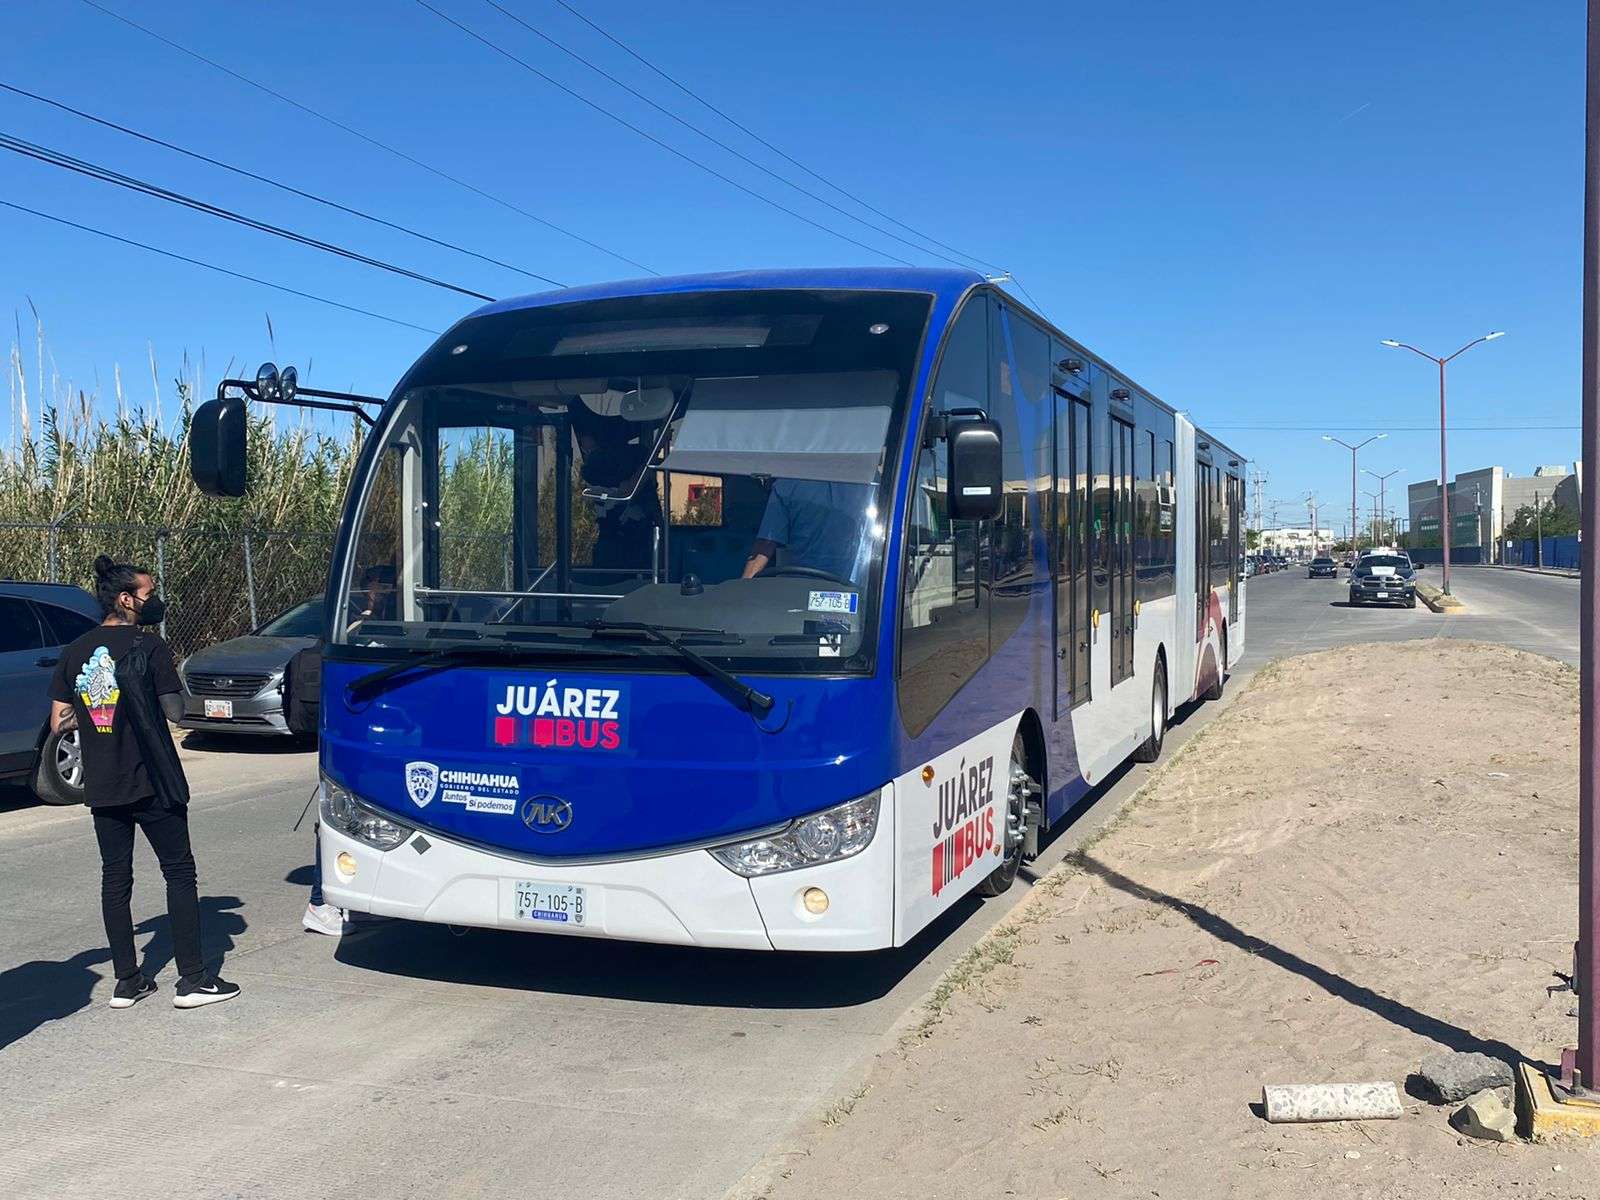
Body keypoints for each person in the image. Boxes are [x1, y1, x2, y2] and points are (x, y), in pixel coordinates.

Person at [48, 555, 240, 1010]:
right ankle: (193, 979)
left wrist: (98, 712)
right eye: (149, 594)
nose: (154, 602)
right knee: (179, 871)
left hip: (104, 783)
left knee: (115, 878)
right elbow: (174, 712)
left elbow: (59, 722)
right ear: (126, 599)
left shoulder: (75, 651)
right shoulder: (148, 647)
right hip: (152, 779)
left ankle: (127, 981)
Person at [741, 478, 875, 582]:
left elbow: (764, 548)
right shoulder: (873, 483)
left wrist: (741, 595)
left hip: (799, 591)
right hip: (856, 592)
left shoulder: (787, 484)